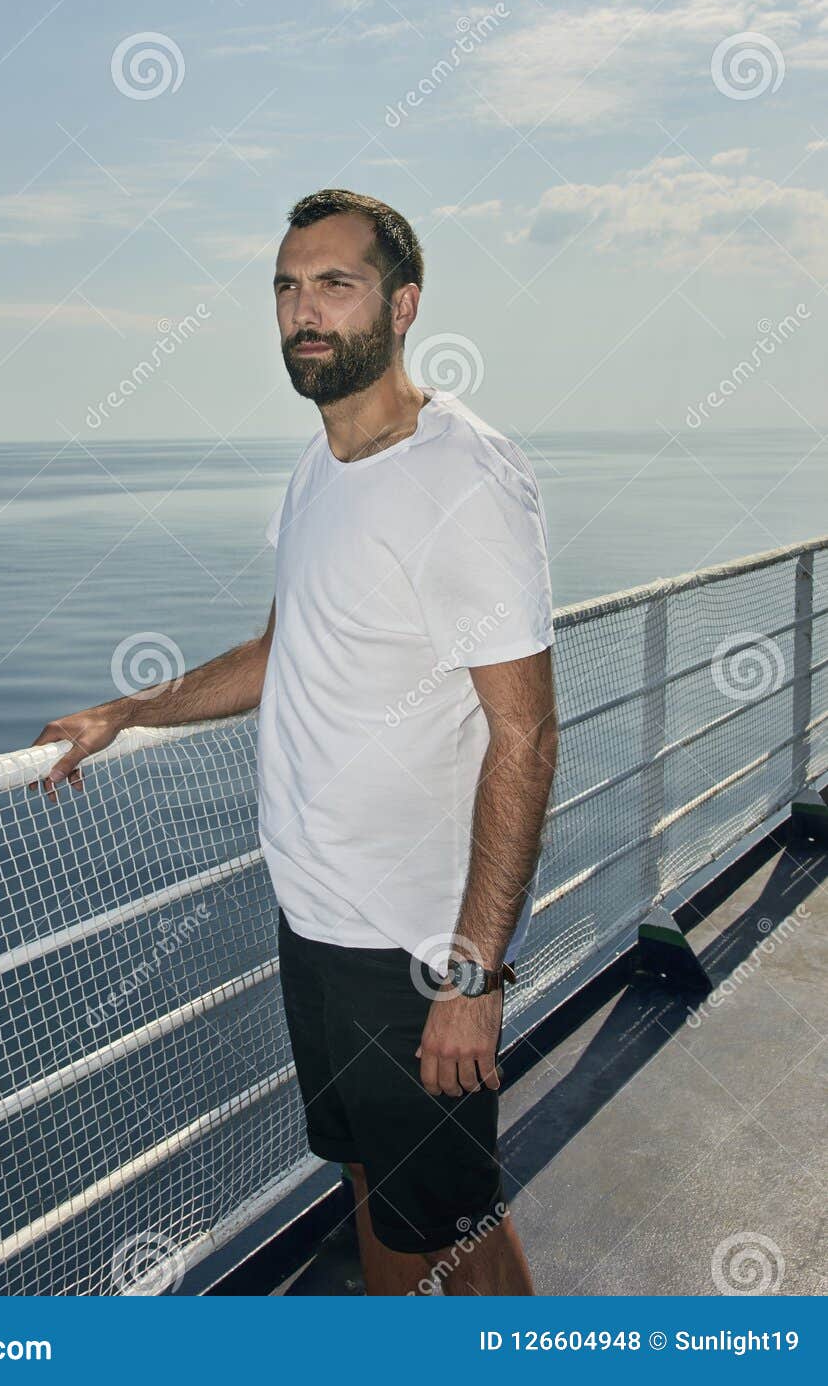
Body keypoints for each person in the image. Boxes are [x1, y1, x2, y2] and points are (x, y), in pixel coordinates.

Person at [31, 187, 559, 1296]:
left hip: (413, 947)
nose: (303, 310)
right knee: (375, 1177)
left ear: (402, 305)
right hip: (317, 920)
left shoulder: (459, 476)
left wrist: (472, 975)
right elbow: (284, 651)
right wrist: (129, 709)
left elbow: (524, 732)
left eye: (335, 284)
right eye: (285, 286)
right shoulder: (317, 470)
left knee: (452, 1219)